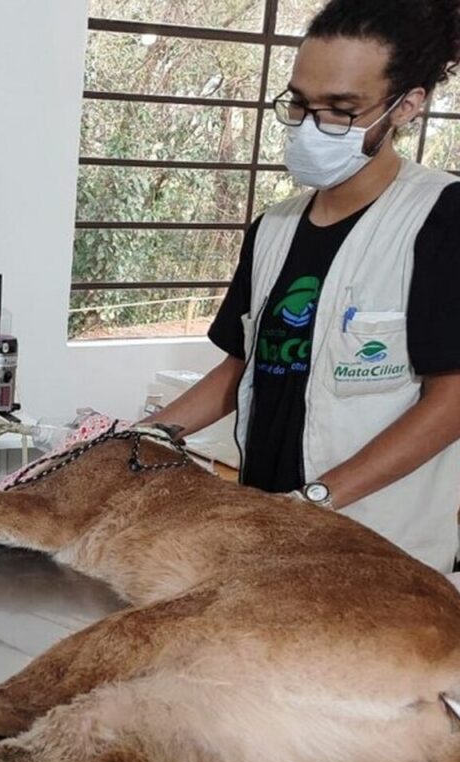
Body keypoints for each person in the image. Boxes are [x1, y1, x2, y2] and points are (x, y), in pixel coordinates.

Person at [145, 0, 460, 574]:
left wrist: (316, 499)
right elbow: (243, 367)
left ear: (407, 105)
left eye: (340, 110)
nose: (313, 127)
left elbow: (451, 401)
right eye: (299, 103)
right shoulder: (274, 227)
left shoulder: (440, 219)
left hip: (379, 547)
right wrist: (141, 436)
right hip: (267, 524)